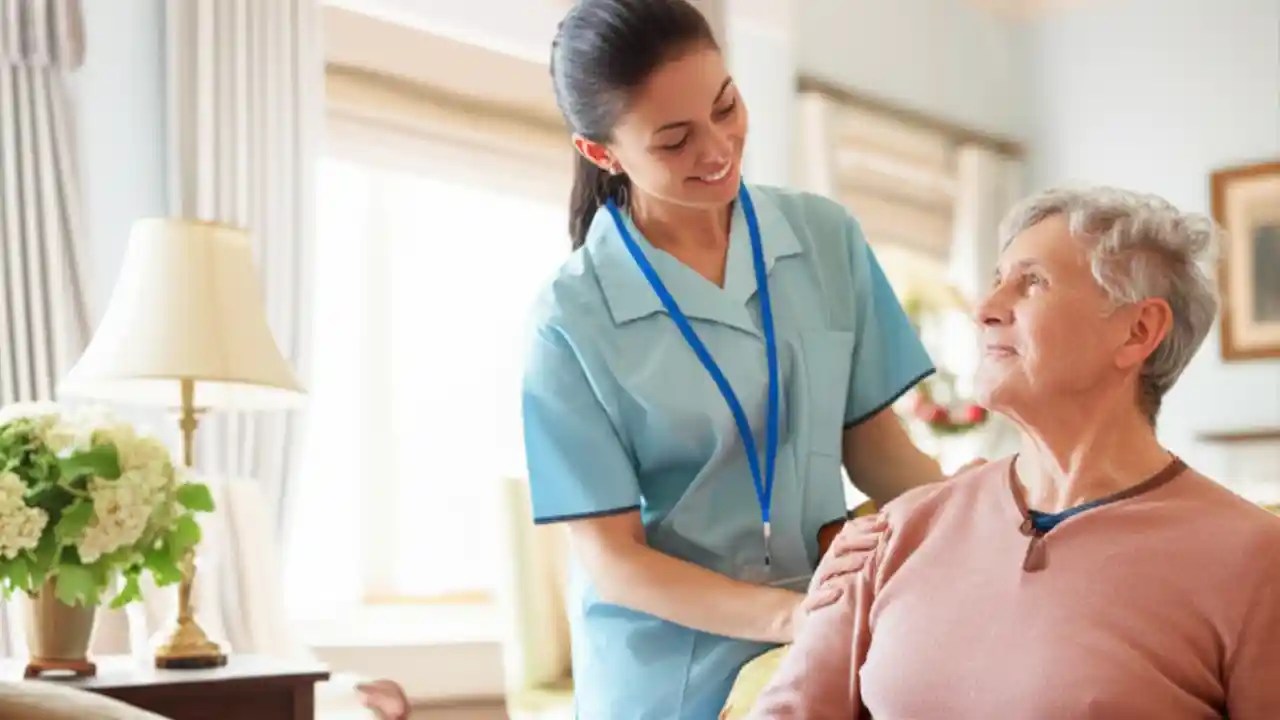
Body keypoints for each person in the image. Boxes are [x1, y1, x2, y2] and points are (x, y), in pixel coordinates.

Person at [520, 1, 948, 716]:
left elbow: (879, 453)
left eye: (726, 107)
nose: (717, 149)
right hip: (667, 673)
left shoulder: (825, 238)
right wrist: (791, 616)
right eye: (674, 140)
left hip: (823, 643)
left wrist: (986, 526)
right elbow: (612, 559)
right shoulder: (570, 320)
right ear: (602, 152)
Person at [747, 187, 1280, 719]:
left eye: (1032, 283)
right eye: (997, 280)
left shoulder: (1254, 562)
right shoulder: (897, 534)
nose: (986, 309)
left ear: (1138, 331)